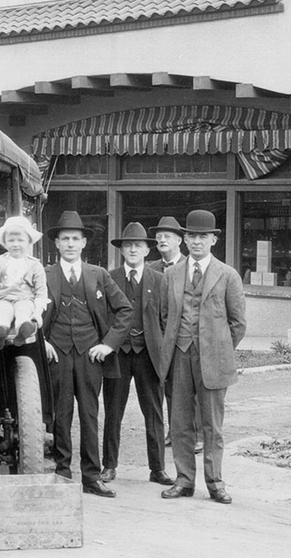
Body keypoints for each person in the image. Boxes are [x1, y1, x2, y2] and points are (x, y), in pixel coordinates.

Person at [42, 210, 131, 498]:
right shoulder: (44, 275)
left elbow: (125, 310)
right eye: (64, 238)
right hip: (57, 353)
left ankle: (91, 477)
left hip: (90, 355)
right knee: (61, 416)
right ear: (56, 243)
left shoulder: (99, 275)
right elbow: (30, 311)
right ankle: (63, 472)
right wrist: (41, 341)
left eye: (75, 239)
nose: (70, 244)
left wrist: (108, 344)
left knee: (90, 414)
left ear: (83, 244)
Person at [159, 210, 246, 505]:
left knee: (212, 425)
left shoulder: (228, 274)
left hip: (214, 360)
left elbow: (238, 323)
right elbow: (163, 317)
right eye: (192, 236)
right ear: (185, 239)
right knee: (180, 422)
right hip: (179, 356)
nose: (197, 241)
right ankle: (184, 481)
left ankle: (215, 482)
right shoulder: (170, 274)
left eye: (203, 236)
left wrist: (218, 348)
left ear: (213, 240)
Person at [100, 223, 173, 487]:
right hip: (118, 354)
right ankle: (109, 466)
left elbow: (166, 318)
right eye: (128, 245)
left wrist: (162, 347)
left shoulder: (160, 279)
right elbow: (102, 316)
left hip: (148, 354)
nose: (133, 249)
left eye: (138, 245)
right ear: (121, 250)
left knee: (153, 412)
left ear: (146, 250)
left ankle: (158, 469)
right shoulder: (109, 277)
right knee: (113, 411)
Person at [148, 216, 203, 454]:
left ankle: (198, 435)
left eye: (167, 236)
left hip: (188, 340)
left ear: (180, 241)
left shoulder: (191, 267)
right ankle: (174, 431)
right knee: (168, 388)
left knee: (194, 390)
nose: (162, 240)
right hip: (160, 339)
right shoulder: (151, 268)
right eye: (159, 237)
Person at [0, 216, 47, 349]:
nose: (15, 244)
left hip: (25, 299)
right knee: (4, 313)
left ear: (29, 242)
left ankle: (23, 331)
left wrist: (38, 313)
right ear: (5, 243)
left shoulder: (35, 265)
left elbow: (41, 292)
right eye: (11, 240)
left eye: (20, 240)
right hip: (3, 299)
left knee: (23, 312)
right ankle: (0, 331)